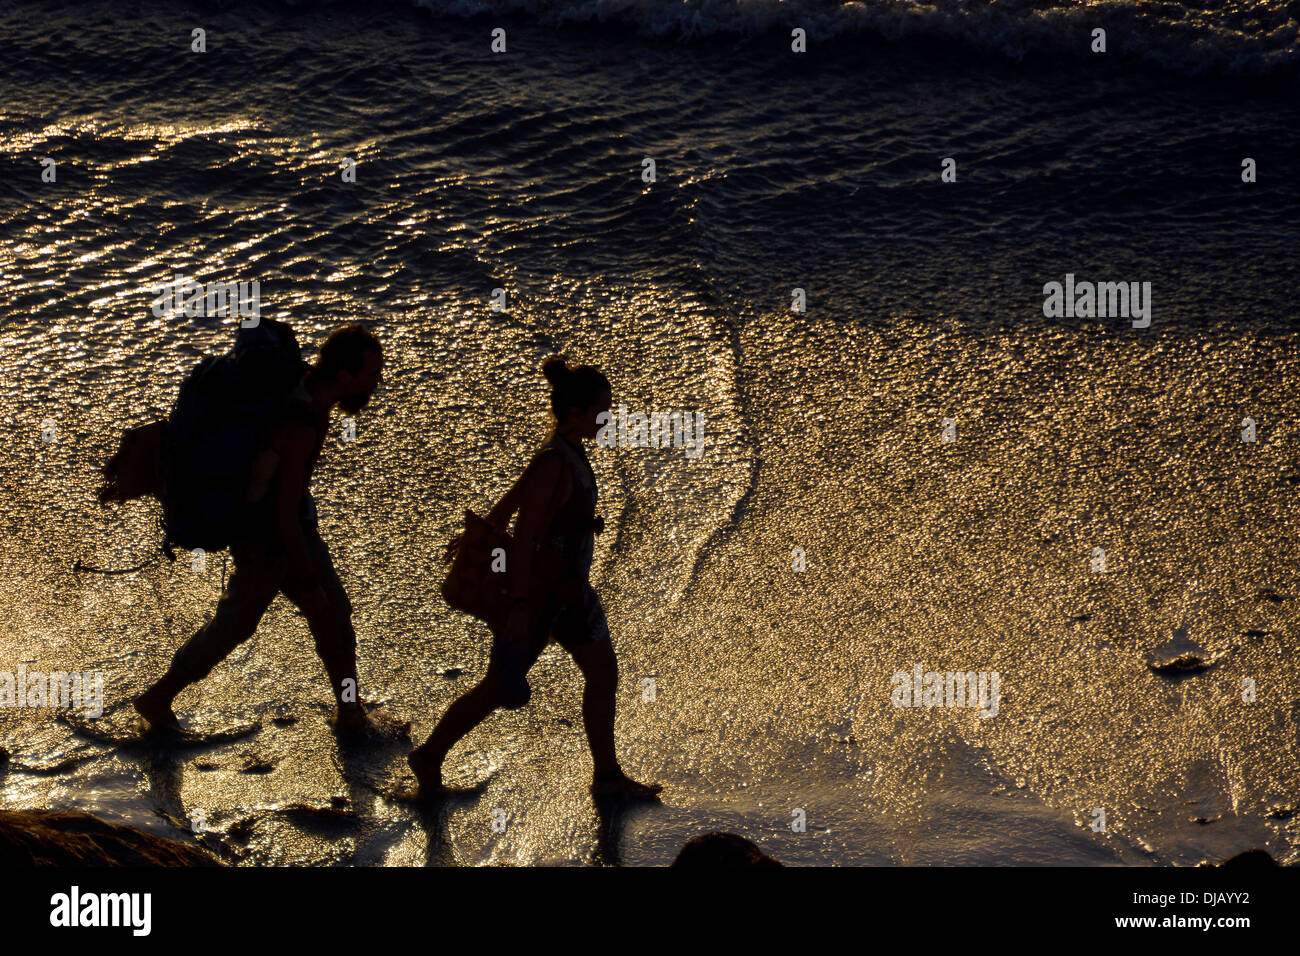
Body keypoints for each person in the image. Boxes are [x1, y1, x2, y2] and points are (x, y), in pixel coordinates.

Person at [409, 357, 661, 799]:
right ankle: (430, 754)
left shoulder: (563, 451)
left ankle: (606, 777)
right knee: (499, 685)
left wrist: (478, 532)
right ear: (576, 414)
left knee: (602, 674)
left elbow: (510, 499)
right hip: (545, 595)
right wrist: (521, 606)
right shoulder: (554, 462)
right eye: (602, 411)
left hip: (570, 592)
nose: (609, 418)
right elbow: (524, 538)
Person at [134, 324, 384, 734]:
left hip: (285, 529)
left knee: (333, 617)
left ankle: (351, 712)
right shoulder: (302, 423)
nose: (377, 382)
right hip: (269, 538)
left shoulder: (303, 389)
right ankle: (157, 697)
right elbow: (282, 510)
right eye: (372, 374)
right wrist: (305, 576)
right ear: (344, 377)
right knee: (240, 624)